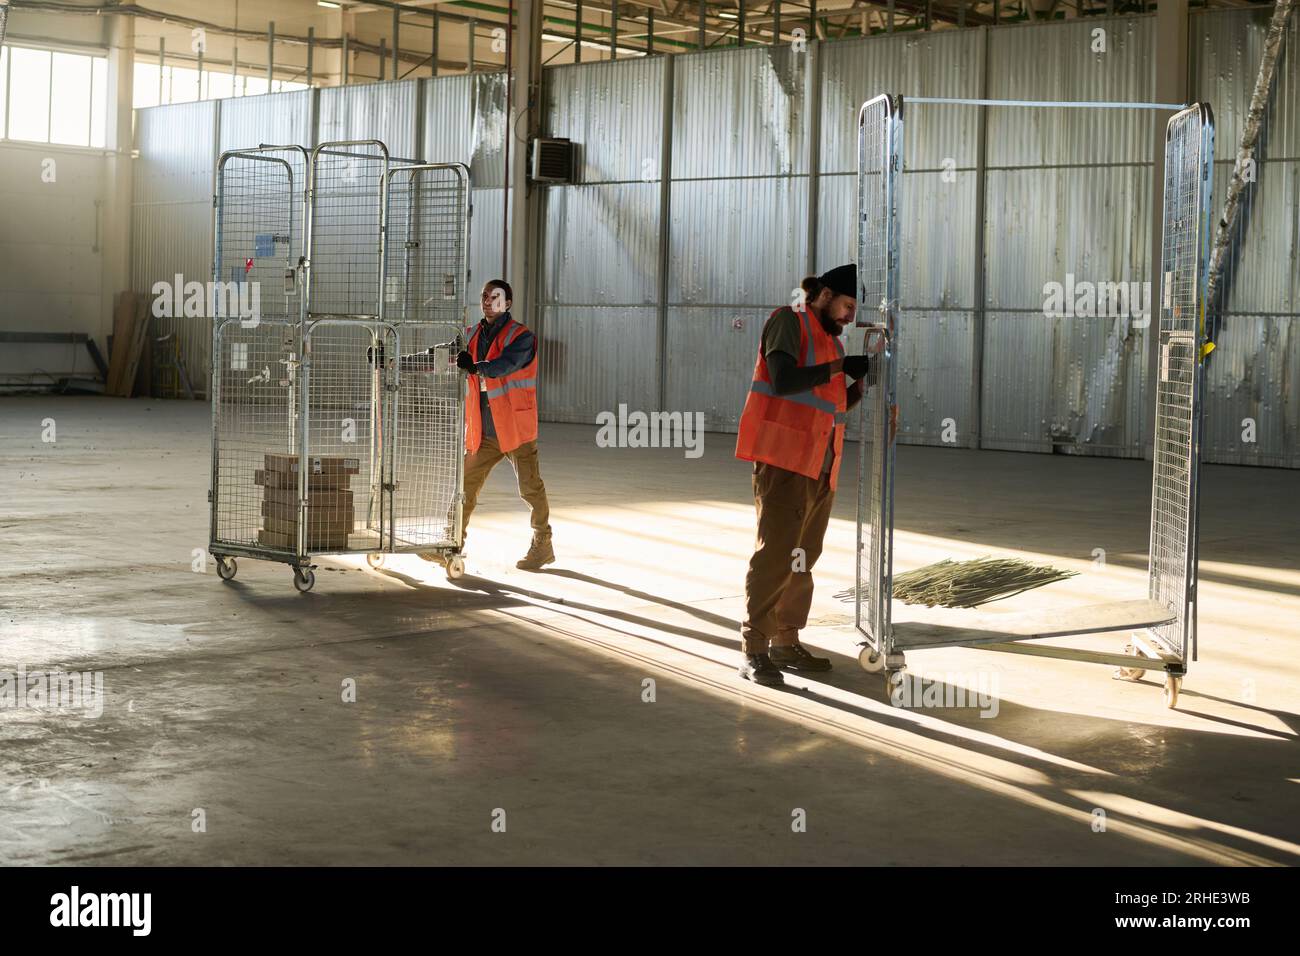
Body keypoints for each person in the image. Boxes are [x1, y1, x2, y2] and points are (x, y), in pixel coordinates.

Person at [733, 264, 876, 686]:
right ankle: (754, 646)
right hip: (784, 462)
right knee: (775, 555)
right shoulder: (788, 321)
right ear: (825, 294)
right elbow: (781, 380)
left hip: (821, 465)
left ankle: (785, 640)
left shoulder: (830, 341)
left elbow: (829, 409)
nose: (850, 316)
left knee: (801, 559)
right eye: (848, 306)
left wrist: (858, 388)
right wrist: (839, 369)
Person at [427, 279, 555, 571]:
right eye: (485, 296)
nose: (488, 301)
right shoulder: (470, 334)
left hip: (515, 428)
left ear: (507, 303)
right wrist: (394, 361)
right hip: (484, 431)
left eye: (495, 297)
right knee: (465, 486)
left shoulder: (522, 337)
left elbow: (505, 364)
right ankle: (451, 544)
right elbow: (441, 357)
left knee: (530, 488)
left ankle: (543, 543)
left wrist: (476, 366)